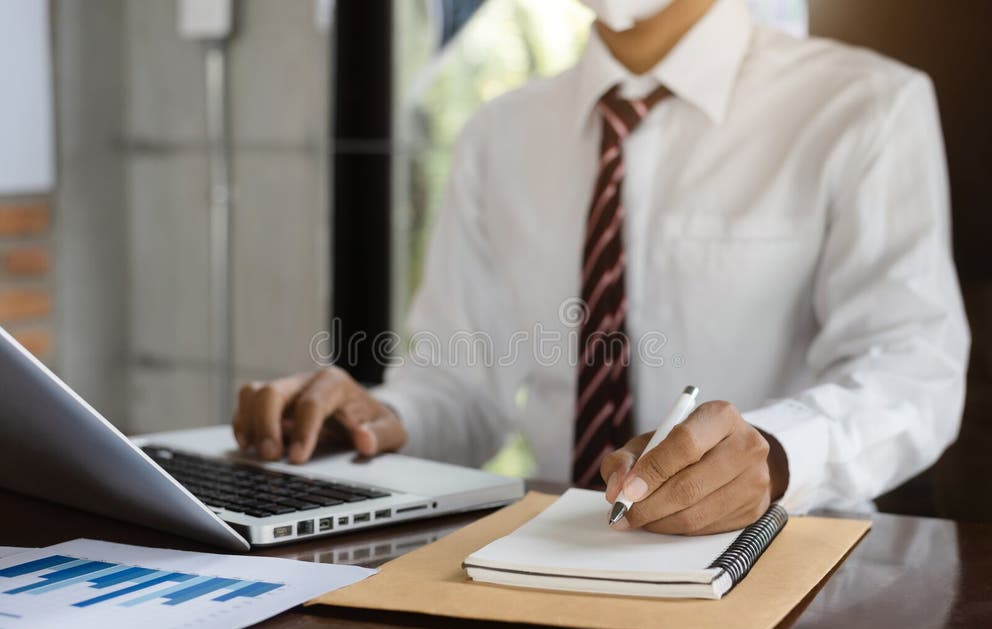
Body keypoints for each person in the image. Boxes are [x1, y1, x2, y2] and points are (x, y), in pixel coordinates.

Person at [232, 0, 969, 534]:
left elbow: (914, 369)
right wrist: (379, 418)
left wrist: (778, 455)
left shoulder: (864, 107)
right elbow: (463, 393)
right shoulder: (499, 134)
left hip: (779, 558)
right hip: (558, 549)